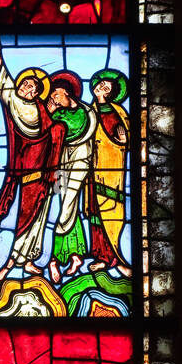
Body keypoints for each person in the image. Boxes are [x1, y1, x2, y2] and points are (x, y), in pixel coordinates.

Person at [0, 36, 56, 286]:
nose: (27, 88)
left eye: (32, 87)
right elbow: (2, 80)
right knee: (17, 217)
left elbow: (52, 138)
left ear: (38, 93)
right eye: (25, 83)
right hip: (19, 171)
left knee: (37, 218)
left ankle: (23, 262)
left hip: (40, 174)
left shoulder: (43, 112)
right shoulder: (12, 100)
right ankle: (8, 264)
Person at [47, 71, 96, 284]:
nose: (53, 99)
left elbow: (75, 130)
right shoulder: (55, 114)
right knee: (68, 205)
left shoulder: (85, 112)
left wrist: (53, 116)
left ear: (66, 92)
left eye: (55, 94)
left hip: (80, 161)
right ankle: (76, 256)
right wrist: (48, 116)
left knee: (67, 206)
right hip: (60, 162)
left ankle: (54, 258)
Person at [87, 68, 131, 276]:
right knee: (94, 213)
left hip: (111, 170)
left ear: (112, 93)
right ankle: (102, 256)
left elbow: (127, 138)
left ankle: (115, 256)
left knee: (111, 210)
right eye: (100, 84)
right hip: (89, 168)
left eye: (106, 87)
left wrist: (124, 142)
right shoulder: (87, 110)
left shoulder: (118, 111)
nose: (101, 88)